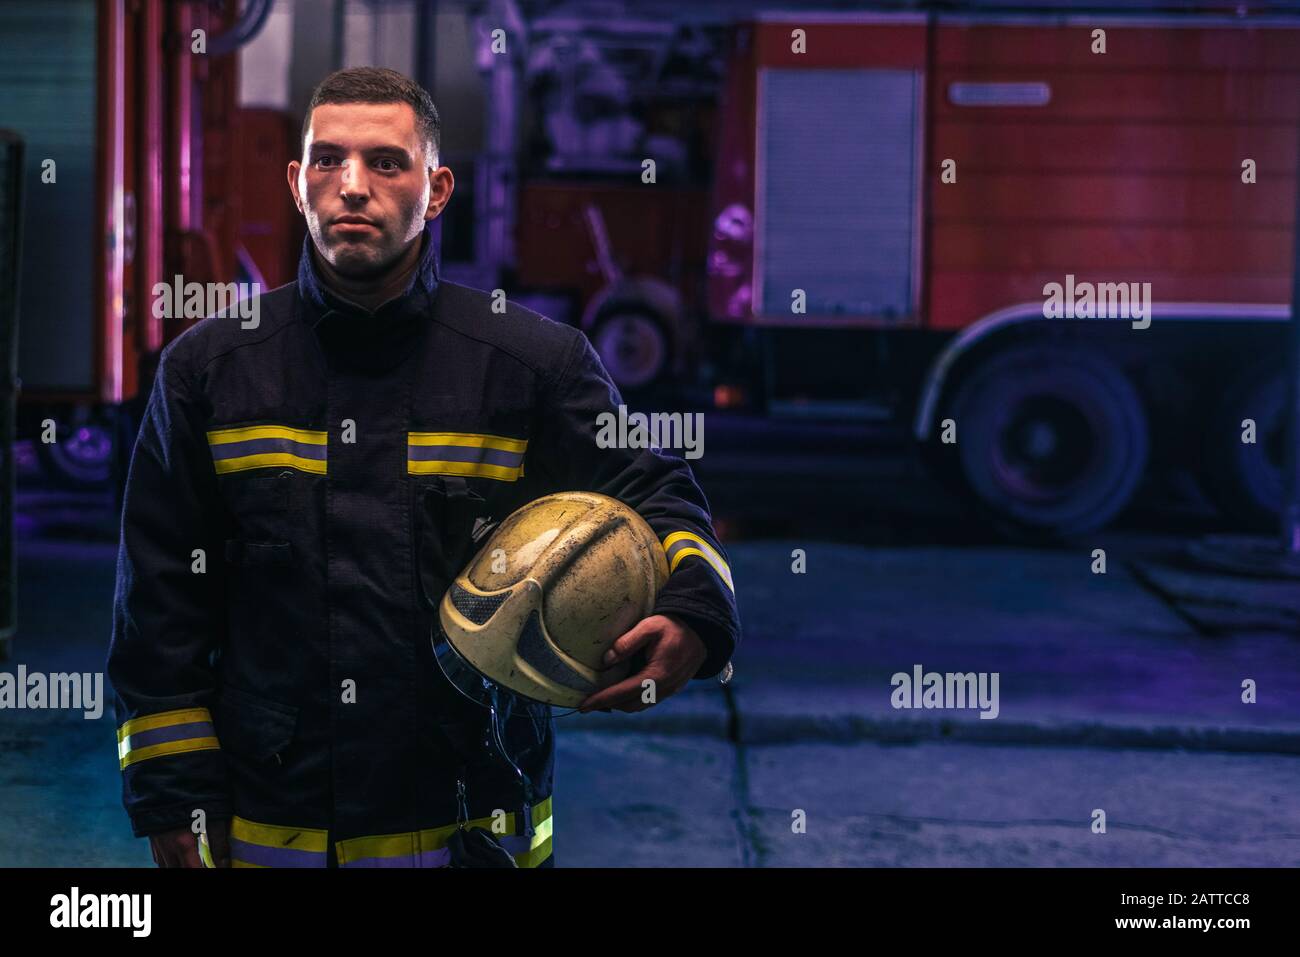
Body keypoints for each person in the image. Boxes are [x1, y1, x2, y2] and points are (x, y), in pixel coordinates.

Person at [107, 67, 739, 868]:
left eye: (386, 163)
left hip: (469, 827)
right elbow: (158, 603)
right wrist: (174, 795)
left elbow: (657, 492)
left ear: (437, 190)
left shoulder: (532, 365)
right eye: (328, 161)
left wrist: (693, 611)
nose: (353, 187)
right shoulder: (209, 370)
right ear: (297, 183)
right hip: (276, 832)